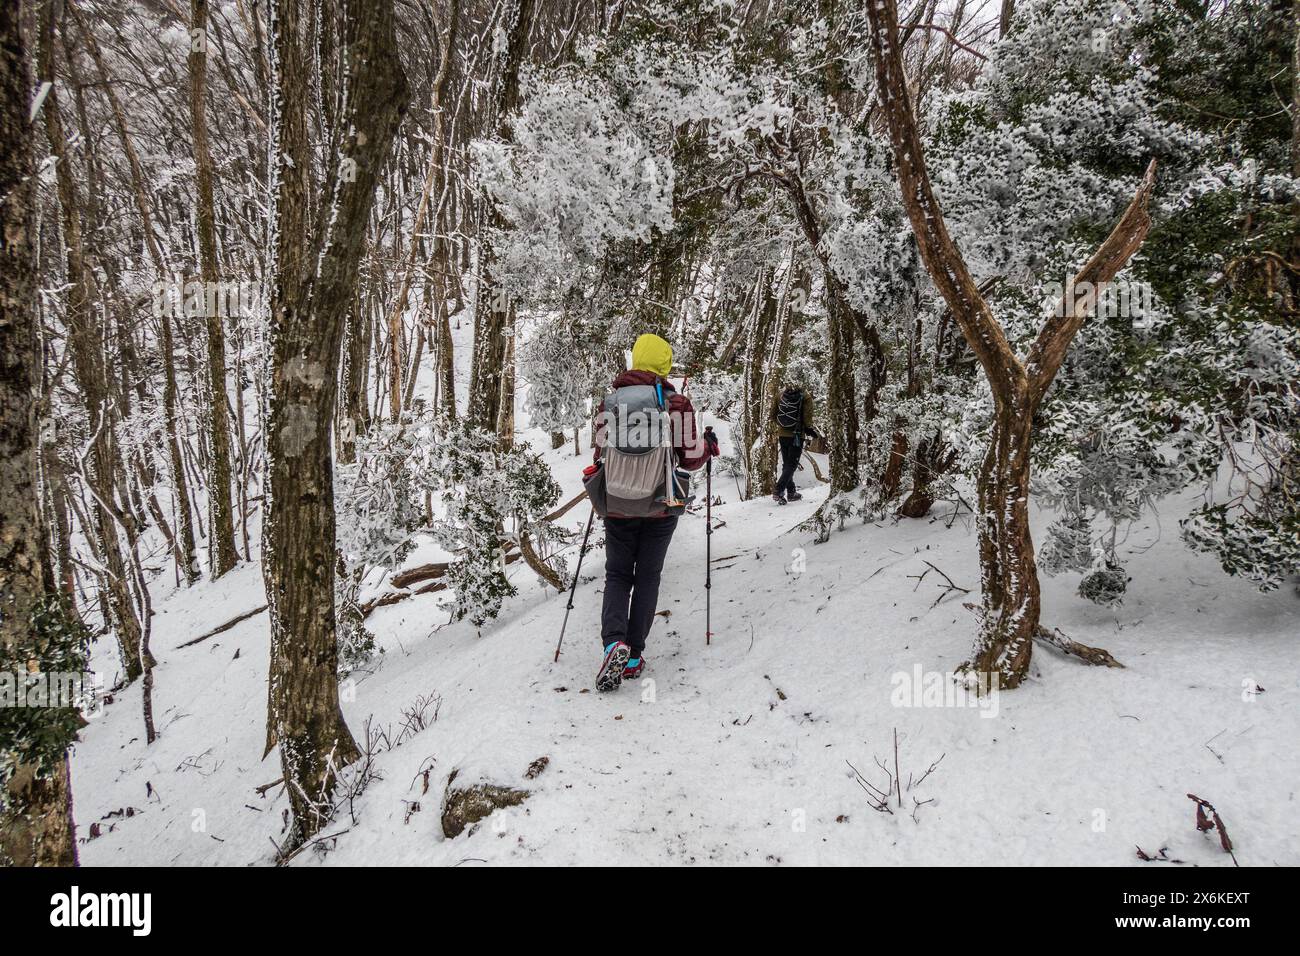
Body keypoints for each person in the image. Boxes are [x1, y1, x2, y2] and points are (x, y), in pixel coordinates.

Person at [591, 333, 717, 692]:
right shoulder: (676, 404)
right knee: (648, 576)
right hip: (662, 504)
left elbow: (599, 454)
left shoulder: (610, 402)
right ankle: (633, 656)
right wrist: (708, 445)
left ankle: (613, 643)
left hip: (616, 503)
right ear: (664, 364)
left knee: (617, 575)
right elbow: (692, 458)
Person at [771, 383, 817, 504]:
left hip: (782, 434)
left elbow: (772, 415)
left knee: (787, 463)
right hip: (797, 435)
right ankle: (779, 489)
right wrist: (808, 428)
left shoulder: (780, 395)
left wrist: (783, 425)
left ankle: (791, 492)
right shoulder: (805, 396)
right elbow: (807, 416)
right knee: (792, 464)